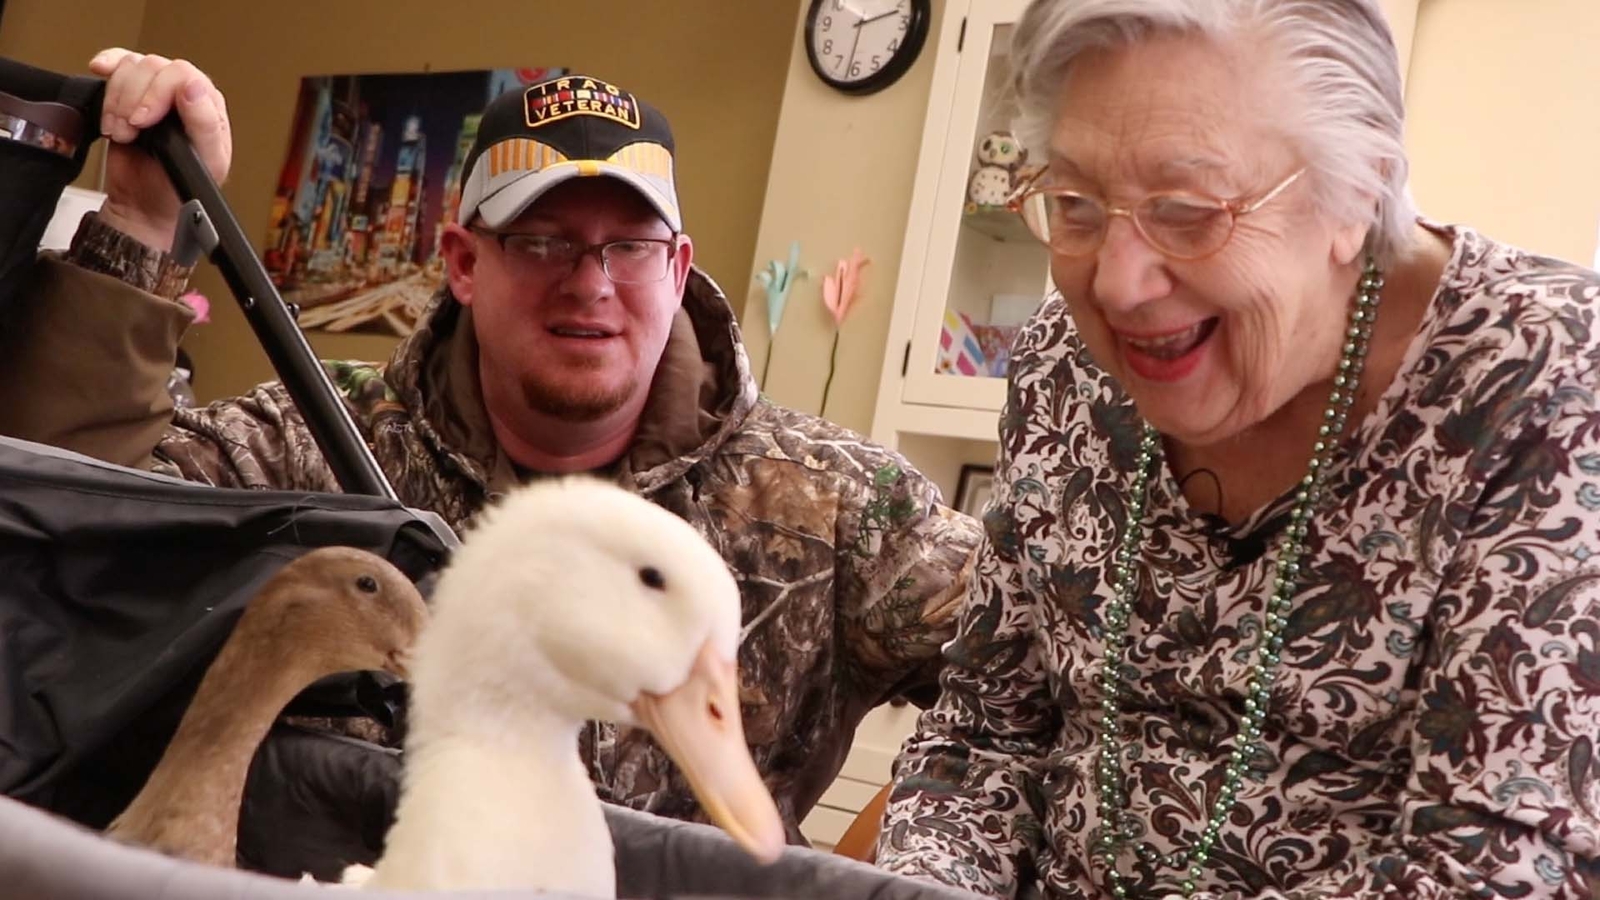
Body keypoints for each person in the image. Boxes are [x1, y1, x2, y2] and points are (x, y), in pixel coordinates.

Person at [0, 49, 981, 854]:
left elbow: (1034, 676)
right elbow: (64, 544)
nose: (590, 284)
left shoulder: (838, 503)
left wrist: (906, 859)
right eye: (544, 241)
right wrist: (141, 223)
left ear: (678, 267)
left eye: (629, 246)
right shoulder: (306, 440)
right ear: (466, 263)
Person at [875, 1, 1600, 898]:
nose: (1116, 283)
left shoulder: (1551, 376)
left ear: (1359, 190)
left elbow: (1493, 862)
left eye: (1185, 211)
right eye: (1075, 205)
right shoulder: (1066, 360)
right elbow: (983, 736)